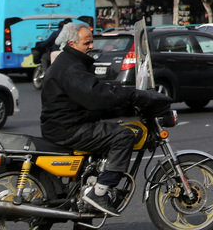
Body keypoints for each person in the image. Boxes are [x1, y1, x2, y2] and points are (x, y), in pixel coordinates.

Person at [40, 23, 171, 217]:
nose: (91, 46)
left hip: (69, 122)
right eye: (87, 42)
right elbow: (97, 95)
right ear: (72, 44)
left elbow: (94, 99)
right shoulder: (70, 67)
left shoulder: (71, 62)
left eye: (92, 41)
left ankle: (86, 206)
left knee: (110, 132)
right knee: (123, 136)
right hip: (67, 128)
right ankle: (99, 192)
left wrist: (125, 105)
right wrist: (134, 95)